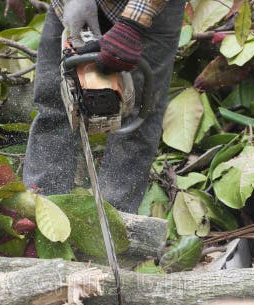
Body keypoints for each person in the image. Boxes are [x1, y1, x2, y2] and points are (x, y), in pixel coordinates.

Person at [22, 0, 186, 213]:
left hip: (151, 8)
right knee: (55, 103)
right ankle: (41, 205)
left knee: (137, 118)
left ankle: (116, 216)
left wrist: (132, 25)